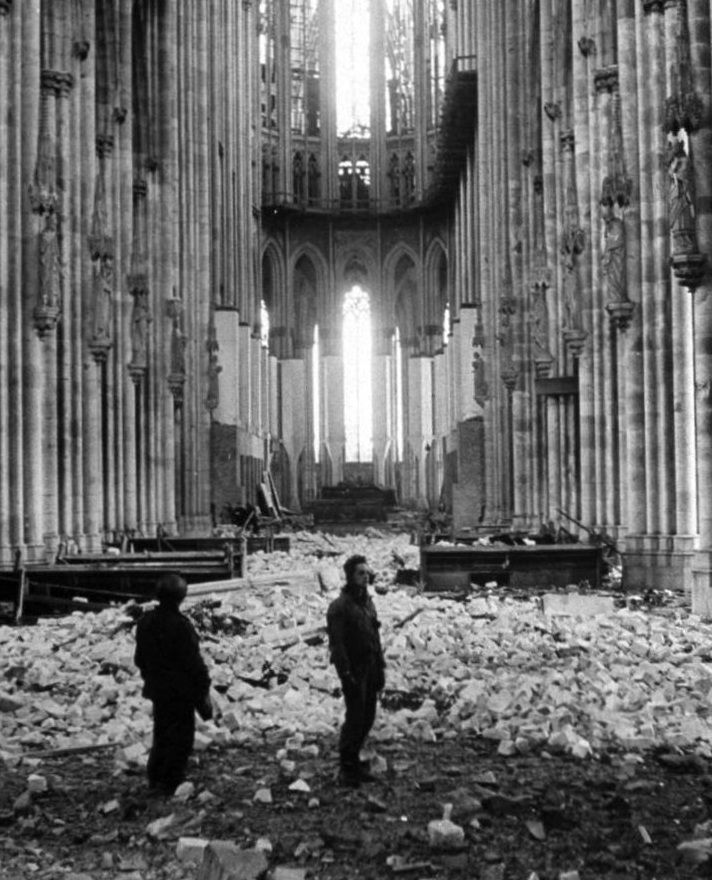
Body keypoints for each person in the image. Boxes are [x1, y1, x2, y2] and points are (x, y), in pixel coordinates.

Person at [134, 572, 212, 795]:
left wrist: (150, 677)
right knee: (181, 738)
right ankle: (170, 782)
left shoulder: (145, 622)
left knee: (161, 733)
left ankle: (156, 777)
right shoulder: (182, 626)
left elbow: (139, 659)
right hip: (180, 692)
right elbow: (194, 664)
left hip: (158, 689)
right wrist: (203, 690)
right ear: (182, 597)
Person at [326, 554, 386, 788]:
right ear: (350, 576)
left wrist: (381, 667)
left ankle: (355, 760)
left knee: (368, 716)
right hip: (355, 669)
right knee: (355, 717)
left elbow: (375, 635)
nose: (365, 577)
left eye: (367, 573)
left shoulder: (368, 603)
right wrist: (346, 674)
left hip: (371, 666)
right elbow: (337, 645)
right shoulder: (339, 607)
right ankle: (347, 767)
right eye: (360, 573)